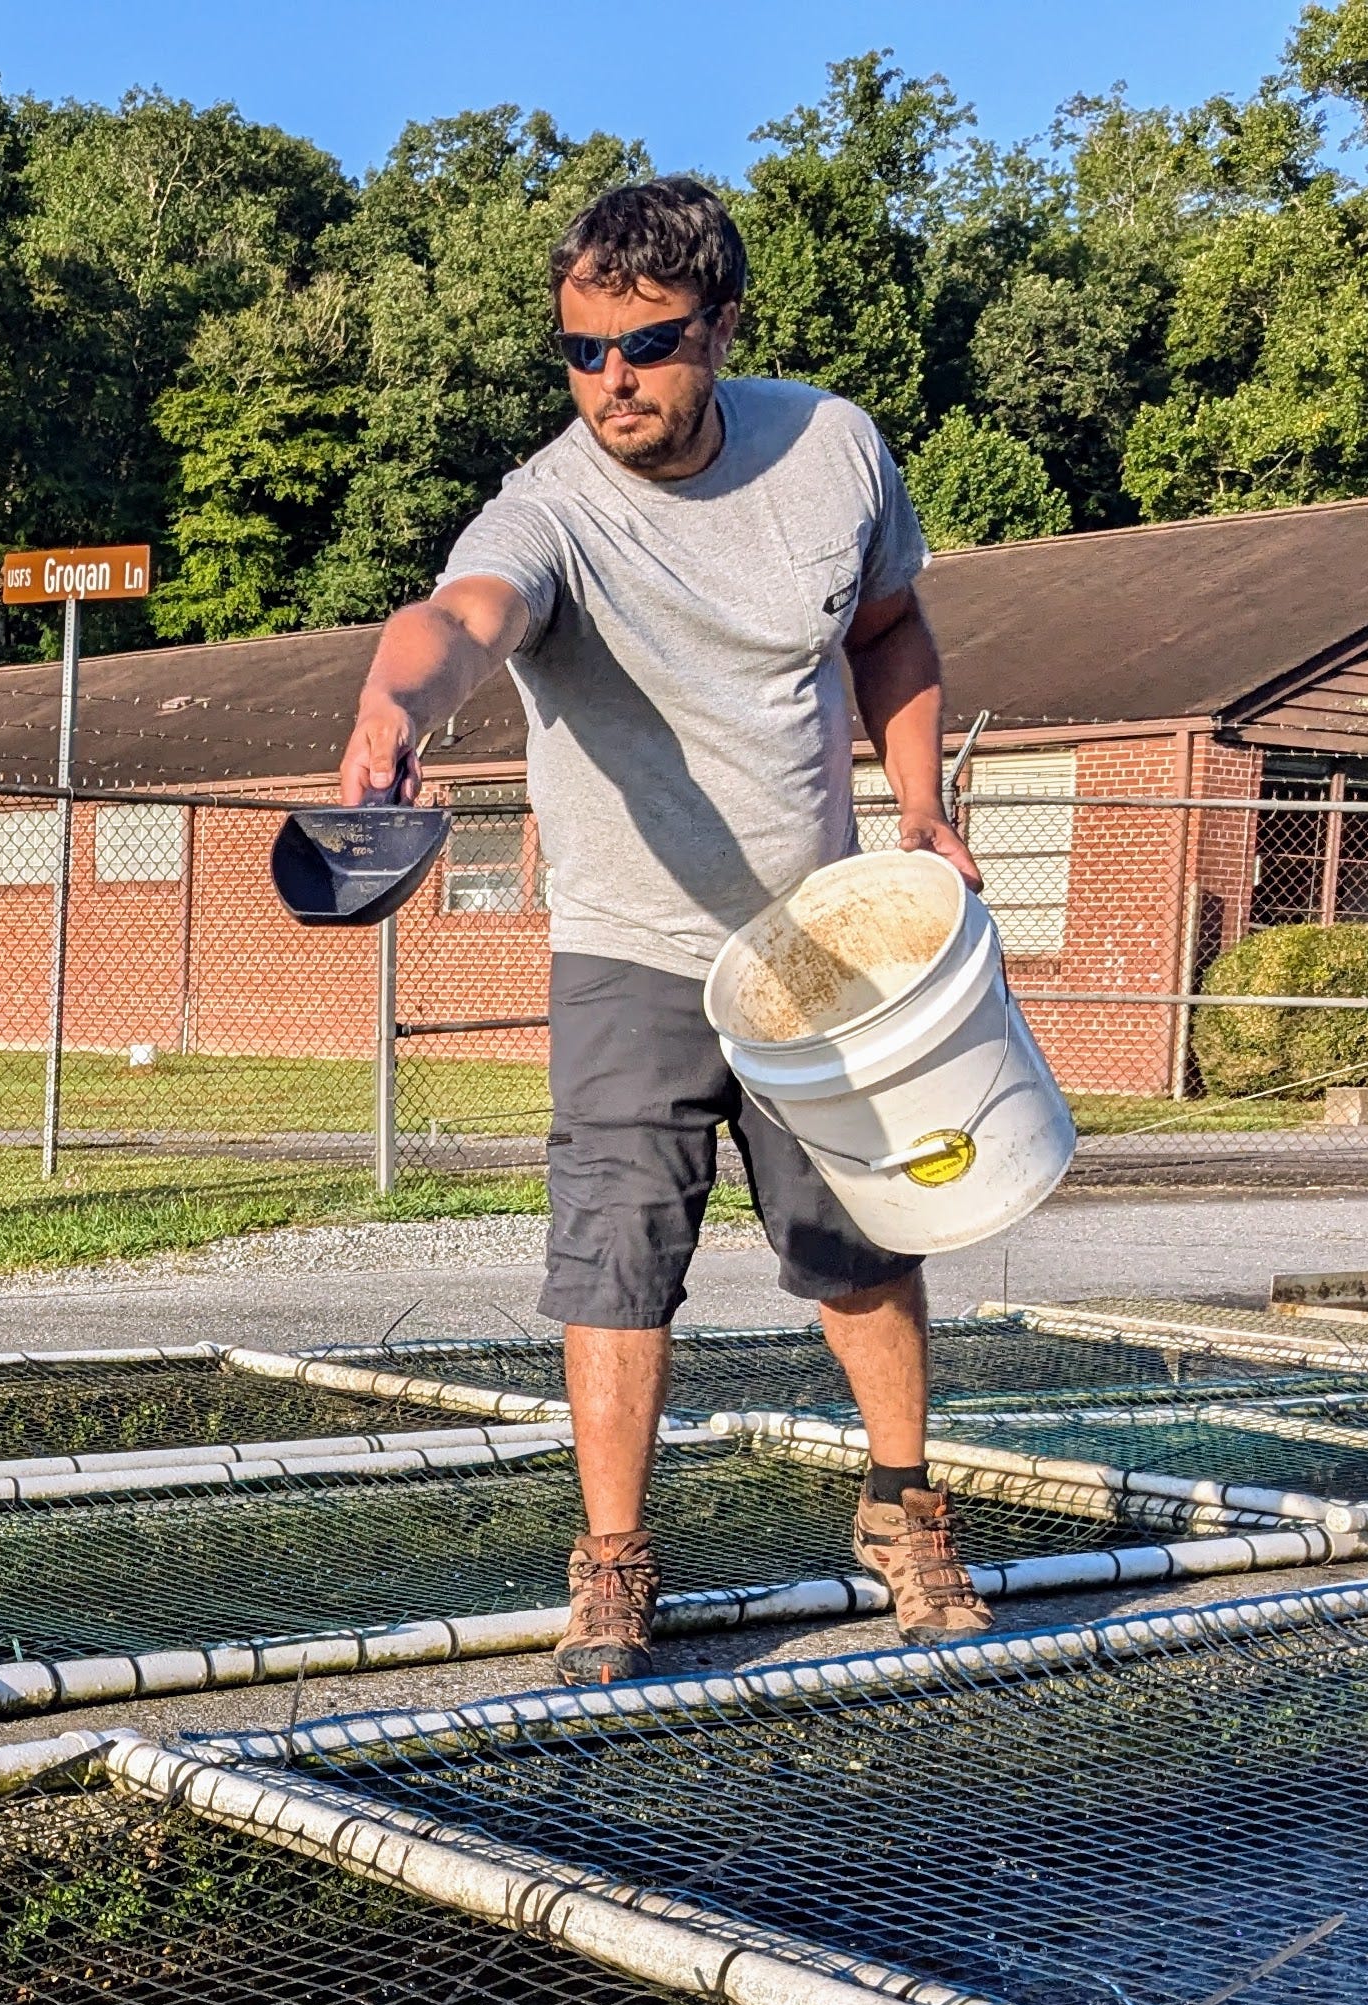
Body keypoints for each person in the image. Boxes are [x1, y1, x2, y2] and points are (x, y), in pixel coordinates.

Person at [334, 174, 994, 1680]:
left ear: (720, 325)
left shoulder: (832, 448)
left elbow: (886, 627)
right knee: (613, 1259)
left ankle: (901, 1512)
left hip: (816, 939)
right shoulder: (549, 503)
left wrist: (919, 811)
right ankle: (614, 1566)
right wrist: (392, 701)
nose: (609, 381)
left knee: (861, 1241)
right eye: (579, 351)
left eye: (641, 345)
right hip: (629, 945)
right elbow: (461, 620)